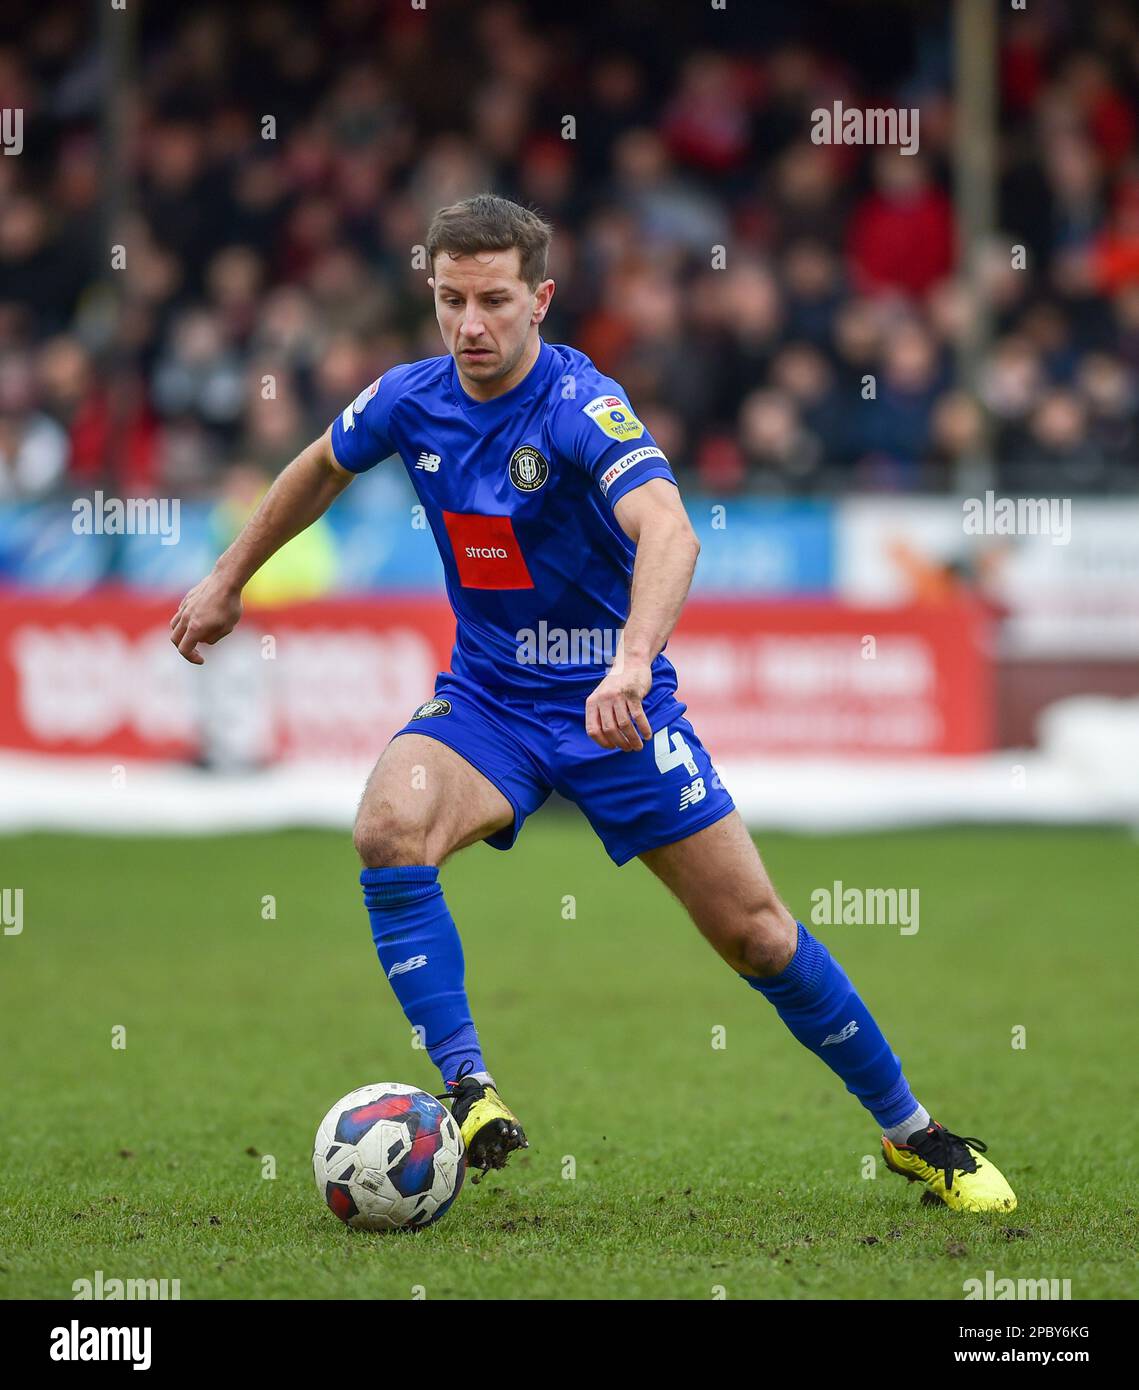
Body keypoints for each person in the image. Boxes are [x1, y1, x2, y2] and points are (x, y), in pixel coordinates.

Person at [171, 194, 1015, 1211]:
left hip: (617, 712)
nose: (469, 324)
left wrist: (627, 660)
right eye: (449, 300)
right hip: (486, 704)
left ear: (541, 299)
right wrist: (228, 577)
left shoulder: (580, 406)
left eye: (492, 300)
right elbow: (316, 467)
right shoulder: (409, 398)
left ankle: (913, 1133)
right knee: (388, 826)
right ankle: (469, 1086)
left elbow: (669, 531)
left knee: (757, 934)